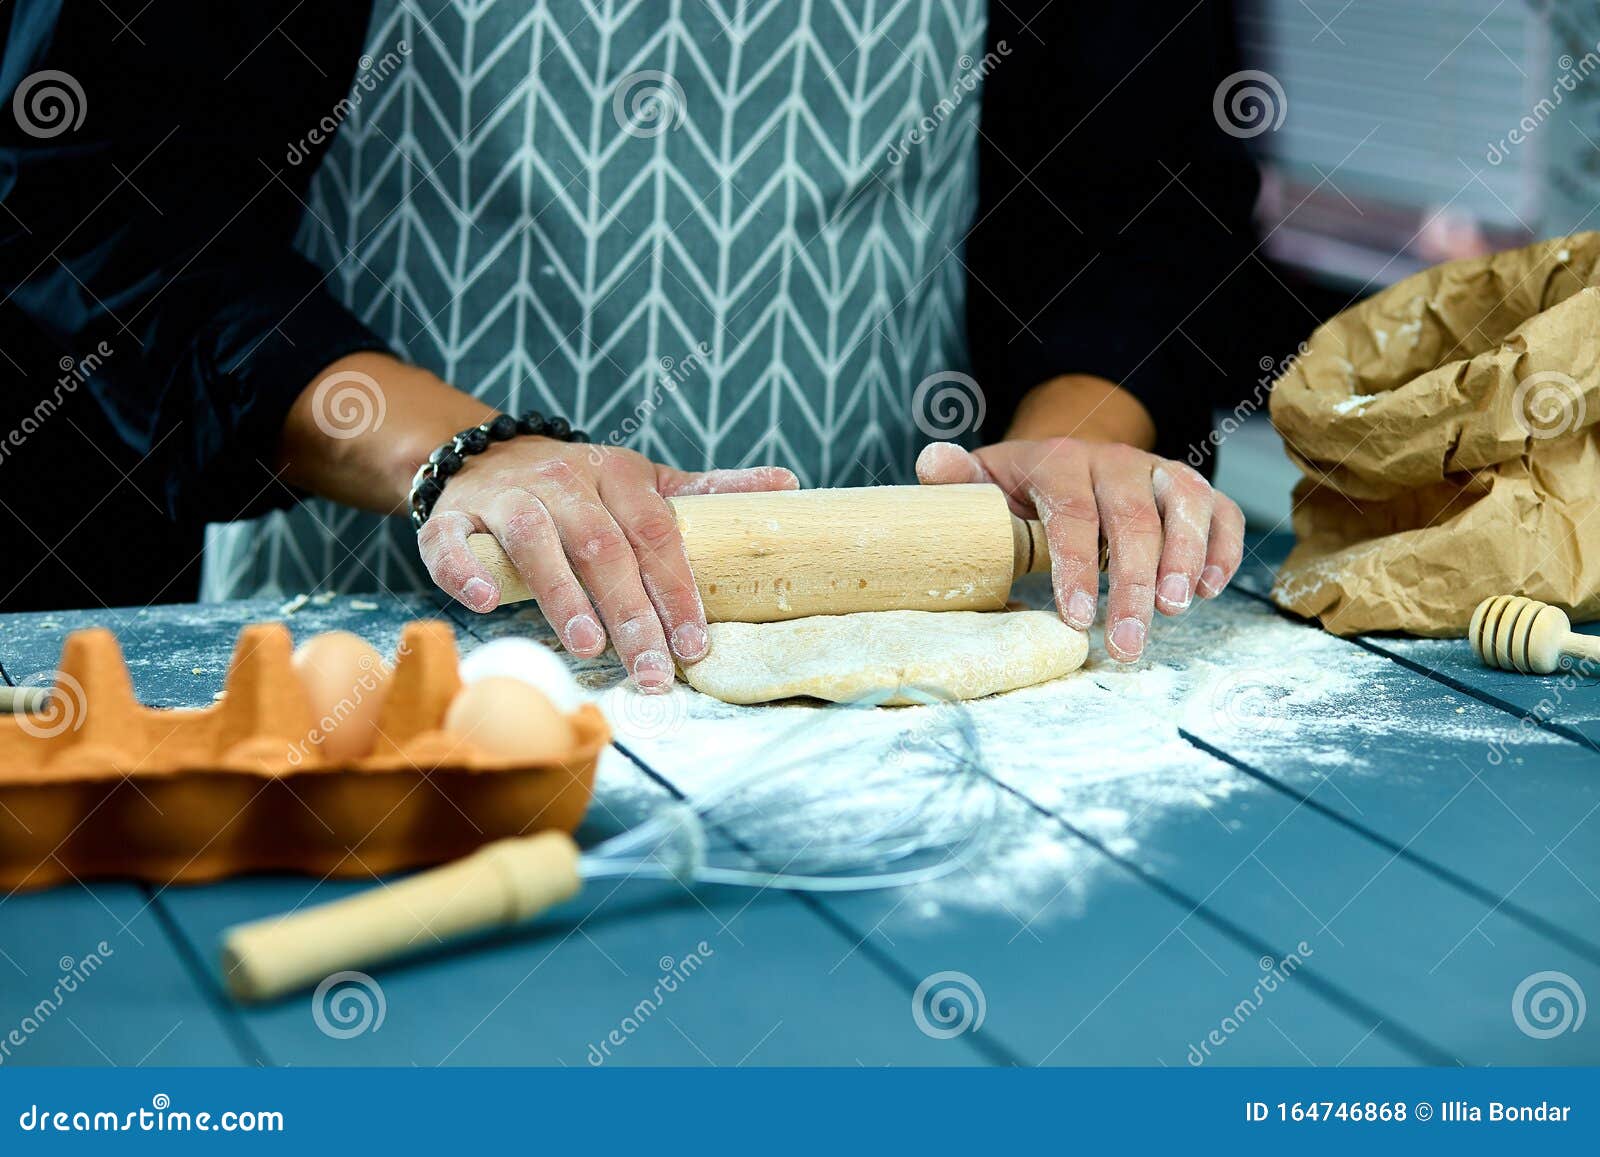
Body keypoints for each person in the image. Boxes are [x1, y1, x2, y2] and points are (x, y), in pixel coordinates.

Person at [0, 2, 1256, 690]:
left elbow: (1145, 200)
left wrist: (1072, 445)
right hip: (376, 630)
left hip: (883, 650)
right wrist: (469, 458)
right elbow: (112, 201)